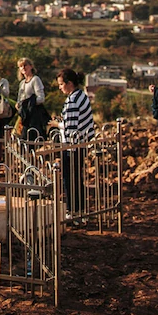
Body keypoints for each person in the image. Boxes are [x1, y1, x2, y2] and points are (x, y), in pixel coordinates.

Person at [55, 69, 94, 217]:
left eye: (61, 84)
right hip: (82, 143)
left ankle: (73, 210)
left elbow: (70, 128)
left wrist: (57, 124)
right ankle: (80, 210)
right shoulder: (81, 95)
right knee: (77, 178)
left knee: (70, 180)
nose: (60, 87)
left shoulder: (72, 100)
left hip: (72, 146)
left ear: (69, 83)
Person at [16, 58, 48, 141]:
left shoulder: (35, 79)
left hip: (34, 114)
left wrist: (29, 103)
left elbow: (41, 98)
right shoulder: (22, 83)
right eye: (21, 66)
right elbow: (19, 98)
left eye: (25, 65)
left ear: (31, 66)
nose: (23, 68)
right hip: (25, 115)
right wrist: (19, 105)